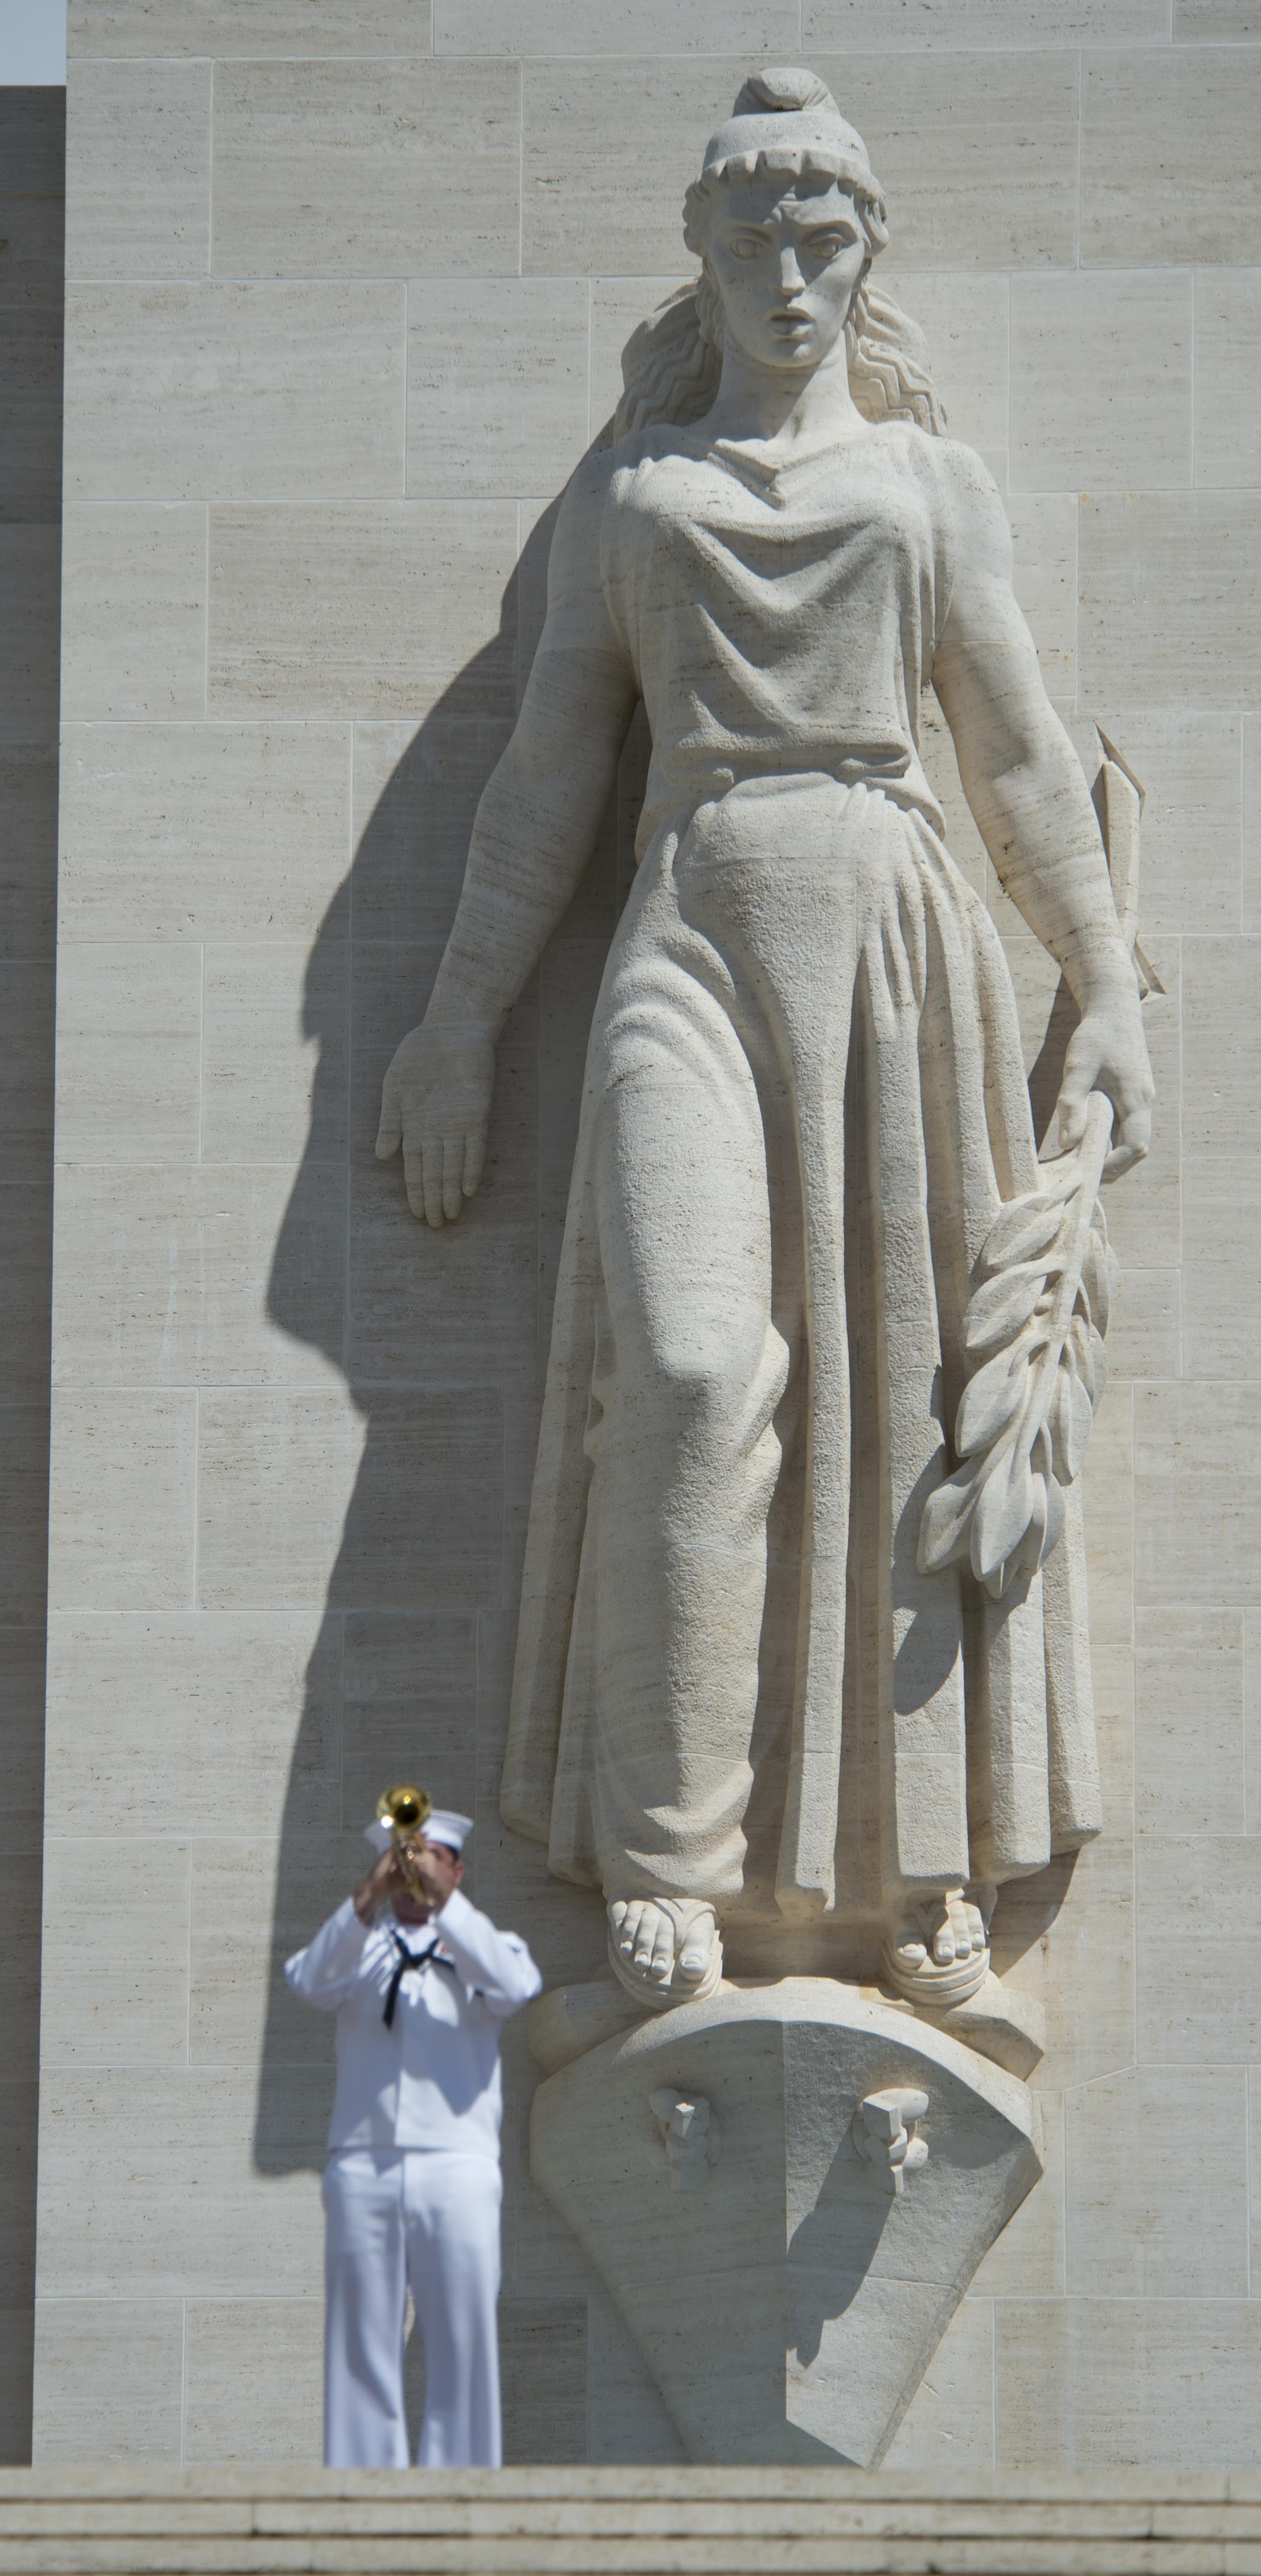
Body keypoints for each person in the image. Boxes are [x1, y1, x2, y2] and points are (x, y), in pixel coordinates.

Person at [374, 70, 1154, 2013]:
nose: (787, 277)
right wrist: (457, 1022)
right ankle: (667, 1863)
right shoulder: (633, 497)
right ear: (699, 258)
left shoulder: (928, 489)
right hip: (693, 931)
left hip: (891, 937)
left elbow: (1016, 756)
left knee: (904, 1394)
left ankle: (915, 1873)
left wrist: (1103, 985)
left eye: (818, 242)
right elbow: (545, 779)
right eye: (751, 243)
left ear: (863, 256)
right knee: (688, 1370)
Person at [284, 1810, 542, 2469]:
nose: (414, 1875)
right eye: (404, 1860)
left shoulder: (485, 1945)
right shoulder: (358, 1946)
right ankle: (362, 2487)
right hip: (364, 2160)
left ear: (456, 1869)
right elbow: (308, 1980)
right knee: (360, 2338)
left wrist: (447, 1905)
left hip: (457, 2163)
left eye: (429, 1859)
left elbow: (516, 1987)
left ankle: (462, 2486)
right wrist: (368, 1894)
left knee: (463, 2335)